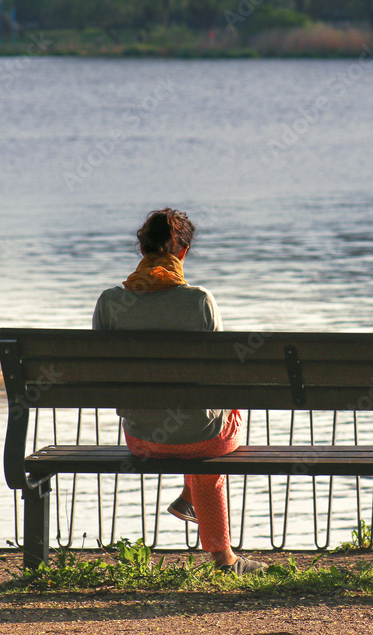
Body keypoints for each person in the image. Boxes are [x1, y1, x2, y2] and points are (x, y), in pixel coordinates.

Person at [93, 208, 266, 576]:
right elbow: (222, 376)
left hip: (142, 438)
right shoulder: (199, 300)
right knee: (215, 423)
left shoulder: (110, 302)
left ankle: (198, 511)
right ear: (182, 253)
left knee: (200, 420)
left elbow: (101, 372)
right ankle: (222, 556)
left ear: (142, 251)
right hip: (204, 440)